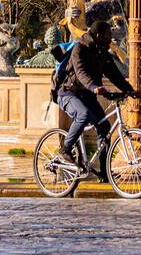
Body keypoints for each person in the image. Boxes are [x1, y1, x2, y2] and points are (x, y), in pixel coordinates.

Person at [54, 20, 136, 173]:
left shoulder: (102, 52)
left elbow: (115, 75)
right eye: (108, 35)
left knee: (104, 127)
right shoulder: (80, 48)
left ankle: (104, 172)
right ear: (99, 35)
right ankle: (65, 150)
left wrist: (131, 90)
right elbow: (80, 72)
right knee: (83, 114)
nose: (110, 38)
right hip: (68, 93)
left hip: (87, 96)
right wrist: (94, 87)